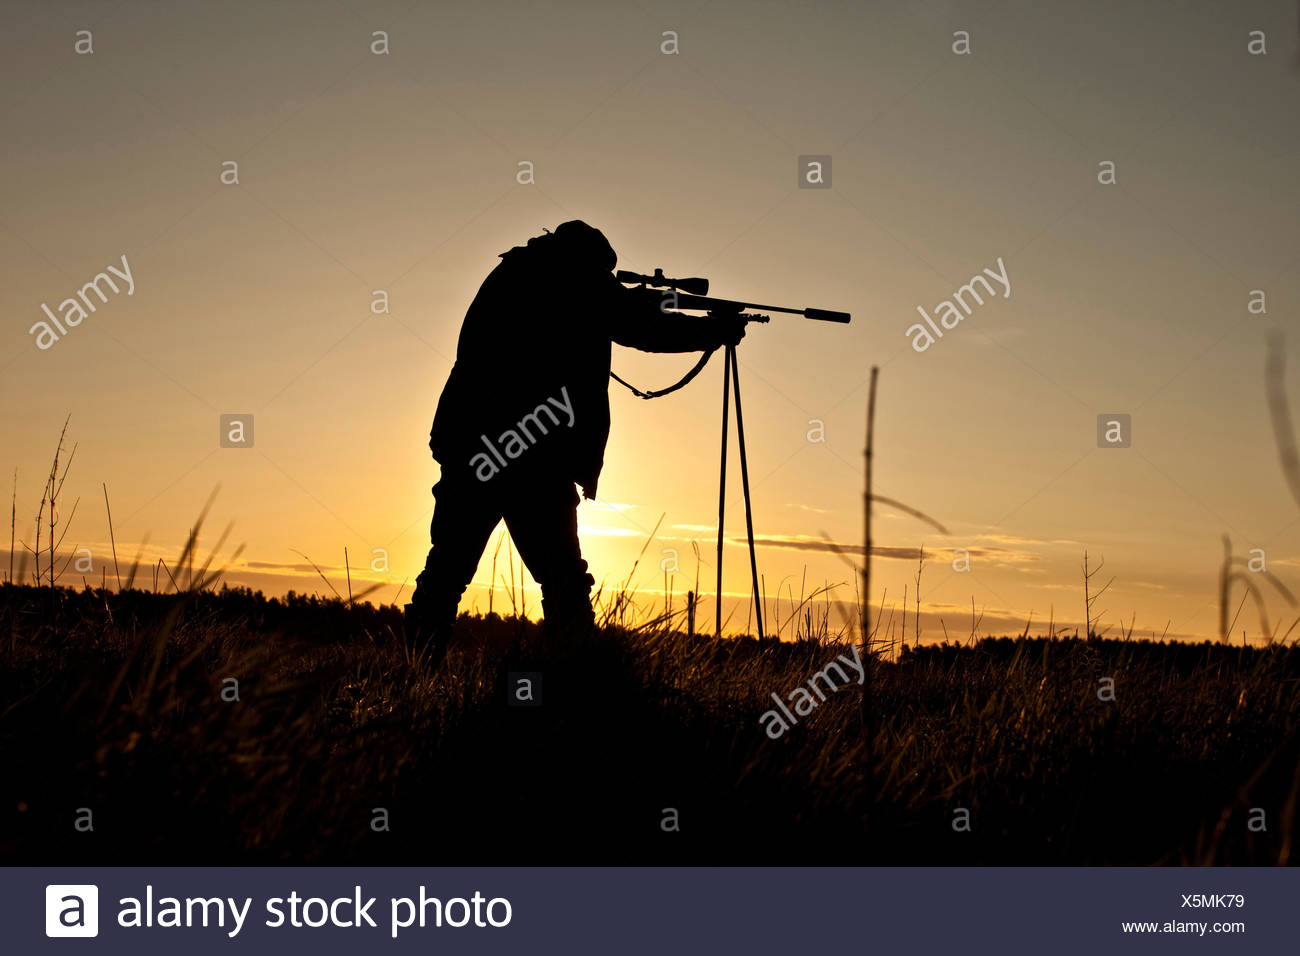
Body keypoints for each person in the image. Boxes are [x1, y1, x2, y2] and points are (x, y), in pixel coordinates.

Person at [405, 221, 744, 663]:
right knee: (564, 580)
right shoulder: (577, 283)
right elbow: (642, 326)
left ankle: (416, 673)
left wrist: (664, 308)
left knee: (445, 572)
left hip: (471, 447)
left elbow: (626, 309)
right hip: (531, 454)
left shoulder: (512, 274)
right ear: (589, 263)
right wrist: (712, 332)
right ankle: (578, 682)